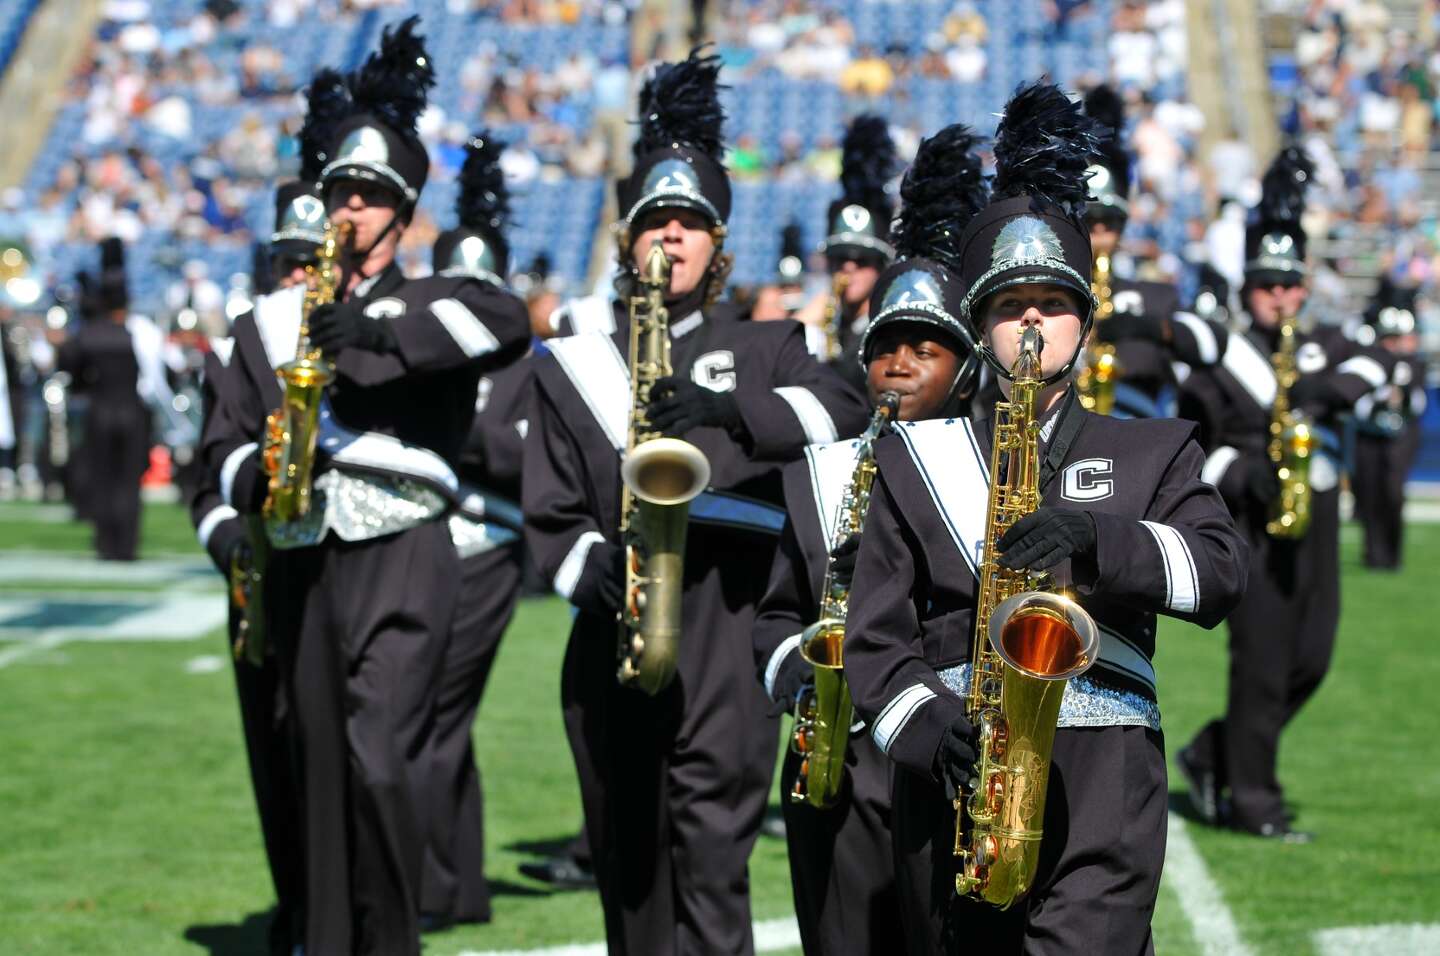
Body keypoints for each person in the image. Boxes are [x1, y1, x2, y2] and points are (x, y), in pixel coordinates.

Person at [840, 83, 1249, 952]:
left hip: (1104, 782)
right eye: (1008, 302)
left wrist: (1101, 542)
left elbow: (1221, 570)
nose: (1032, 317)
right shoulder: (916, 459)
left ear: (1086, 322)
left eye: (1054, 302)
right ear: (980, 324)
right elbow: (875, 633)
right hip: (960, 779)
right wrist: (925, 727)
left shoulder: (1154, 448)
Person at [522, 48, 868, 955]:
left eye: (690, 224)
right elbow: (548, 511)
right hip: (615, 629)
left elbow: (846, 409)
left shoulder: (766, 344)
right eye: (654, 222)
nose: (669, 238)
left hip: (729, 621)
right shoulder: (573, 364)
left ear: (718, 247)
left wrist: (729, 411)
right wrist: (588, 568)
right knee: (627, 871)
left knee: (713, 867)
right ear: (625, 241)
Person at [200, 23, 530, 954]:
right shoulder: (264, 322)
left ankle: (391, 940)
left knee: (380, 755)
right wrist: (259, 483)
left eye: (371, 196)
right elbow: (218, 447)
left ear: (402, 214)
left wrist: (371, 340)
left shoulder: (430, 301)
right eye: (339, 191)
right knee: (317, 764)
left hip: (403, 549)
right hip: (302, 550)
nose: (349, 208)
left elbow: (505, 320)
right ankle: (326, 936)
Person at [752, 124, 987, 956]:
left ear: (964, 370)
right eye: (885, 348)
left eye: (925, 350)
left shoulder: (992, 471)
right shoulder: (819, 475)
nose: (898, 364)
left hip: (945, 752)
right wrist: (804, 675)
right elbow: (775, 619)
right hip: (839, 757)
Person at [1177, 146, 1396, 841]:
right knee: (1264, 665)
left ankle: (1214, 753)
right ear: (1248, 290)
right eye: (1265, 284)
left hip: (1319, 513)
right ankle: (1254, 801)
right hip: (1249, 524)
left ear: (1304, 287)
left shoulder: (1326, 342)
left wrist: (1313, 394)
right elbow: (1195, 455)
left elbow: (1378, 362)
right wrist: (1248, 474)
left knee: (1314, 658)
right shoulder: (1221, 359)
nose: (1278, 296)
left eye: (1287, 284)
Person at [421, 129, 532, 930]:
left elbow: (517, 461)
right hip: (425, 544)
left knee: (434, 712)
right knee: (432, 718)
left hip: (489, 547)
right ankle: (456, 886)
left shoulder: (525, 367)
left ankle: (432, 886)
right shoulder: (421, 358)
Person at [1080, 85, 1230, 418]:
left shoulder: (1153, 297)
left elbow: (1213, 343)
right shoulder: (1047, 297)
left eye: (1110, 223)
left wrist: (1152, 329)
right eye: (1089, 222)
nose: (1100, 234)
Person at [58, 238, 147, 560]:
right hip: (132, 409)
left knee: (104, 477)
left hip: (100, 409)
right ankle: (127, 545)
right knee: (128, 480)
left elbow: (71, 370)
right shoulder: (139, 331)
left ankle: (106, 543)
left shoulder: (88, 335)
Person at [793, 115, 899, 384]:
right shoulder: (822, 325)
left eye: (862, 260)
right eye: (839, 258)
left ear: (881, 266)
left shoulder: (890, 334)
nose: (848, 268)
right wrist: (800, 328)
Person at [1350, 281, 1427, 570]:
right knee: (1368, 493)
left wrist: (1401, 394)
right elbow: (1359, 404)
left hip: (1399, 437)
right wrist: (1381, 398)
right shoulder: (1367, 362)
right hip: (1370, 435)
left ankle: (1392, 554)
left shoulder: (1412, 365)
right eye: (1390, 339)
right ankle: (1373, 554)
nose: (1395, 345)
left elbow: (1417, 404)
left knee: (1393, 493)